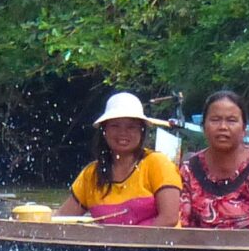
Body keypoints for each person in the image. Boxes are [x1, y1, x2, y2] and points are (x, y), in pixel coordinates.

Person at [57, 91, 183, 226]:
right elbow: (60, 220)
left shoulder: (158, 163)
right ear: (104, 131)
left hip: (157, 245)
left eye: (131, 127)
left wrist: (131, 243)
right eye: (115, 126)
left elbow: (169, 218)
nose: (123, 133)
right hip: (111, 246)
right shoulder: (91, 175)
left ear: (141, 131)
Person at [179, 91, 249, 229]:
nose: (223, 127)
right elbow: (181, 222)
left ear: (243, 128)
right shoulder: (189, 170)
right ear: (203, 126)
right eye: (215, 120)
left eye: (231, 120)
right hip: (197, 247)